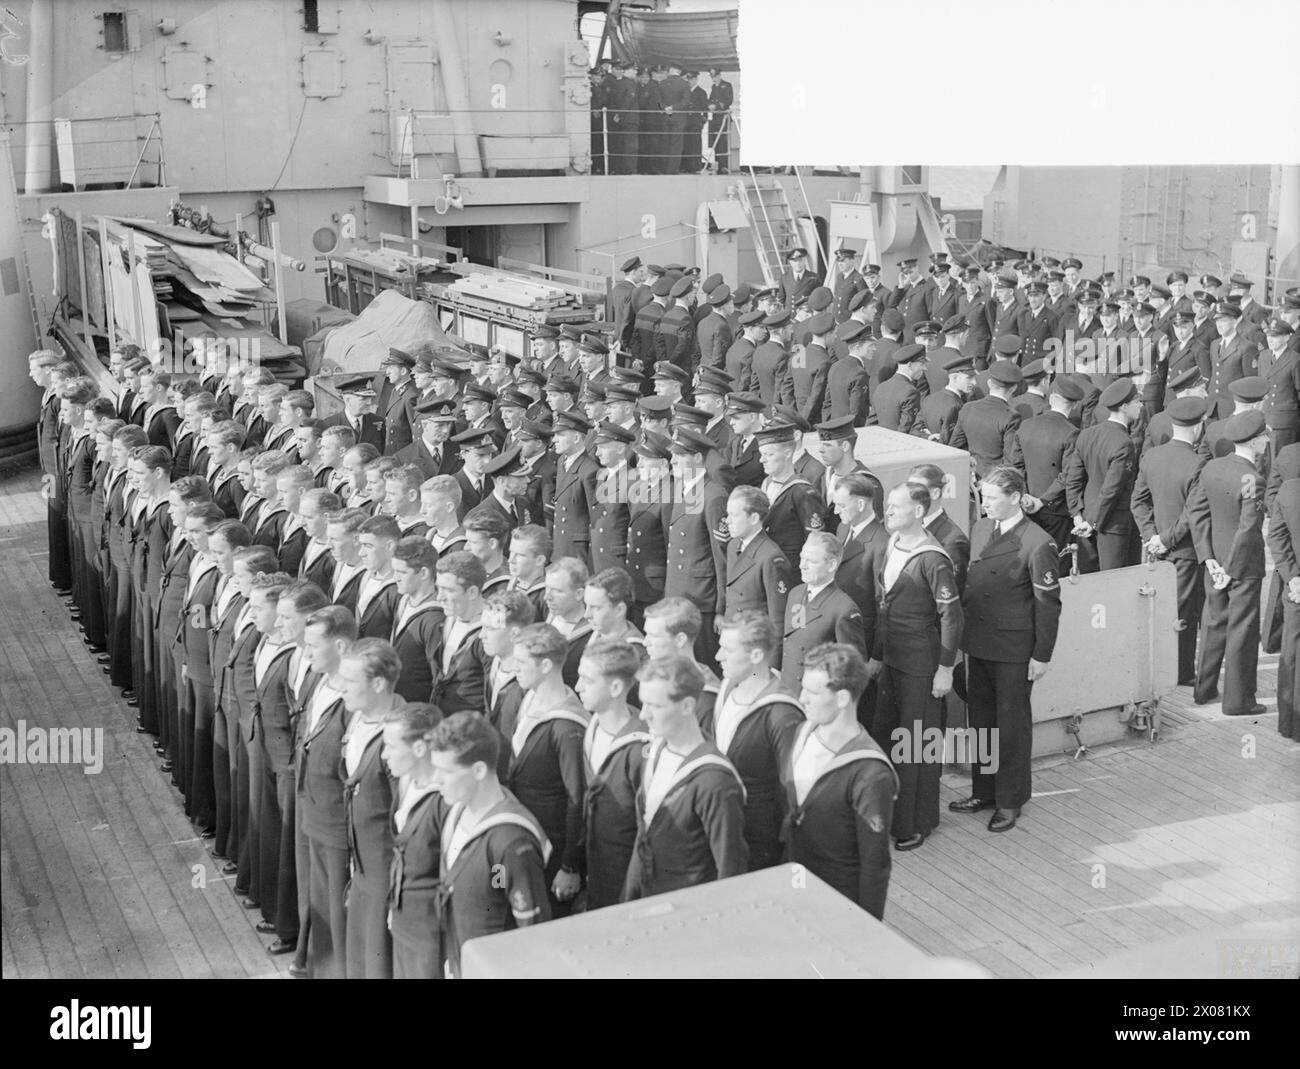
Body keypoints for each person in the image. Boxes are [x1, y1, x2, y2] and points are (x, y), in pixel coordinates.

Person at [951, 467, 1061, 834]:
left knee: (1011, 727)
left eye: (992, 498)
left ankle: (1010, 800)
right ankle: (984, 791)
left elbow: (1048, 604)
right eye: (983, 497)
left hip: (1013, 649)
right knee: (980, 720)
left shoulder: (1037, 542)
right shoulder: (982, 529)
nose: (985, 504)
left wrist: (1041, 655)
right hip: (978, 641)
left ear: (1015, 498)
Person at [867, 483, 963, 851]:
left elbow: (951, 617)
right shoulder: (893, 545)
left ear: (919, 512)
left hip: (921, 665)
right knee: (888, 737)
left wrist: (945, 669)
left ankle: (916, 822)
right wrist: (877, 654)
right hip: (892, 658)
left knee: (916, 744)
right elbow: (884, 606)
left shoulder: (933, 558)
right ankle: (889, 813)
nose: (887, 511)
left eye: (895, 506)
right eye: (888, 505)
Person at [432, 711, 552, 978]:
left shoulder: (510, 842)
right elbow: (495, 886)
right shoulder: (456, 813)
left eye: (446, 771)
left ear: (478, 770)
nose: (436, 780)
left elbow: (531, 927)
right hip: (458, 961)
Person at [782, 644, 897, 919]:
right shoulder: (802, 733)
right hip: (792, 888)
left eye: (813, 692)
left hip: (835, 903)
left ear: (843, 698)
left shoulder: (870, 772)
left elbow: (875, 864)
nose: (802, 698)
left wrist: (866, 931)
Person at [621, 656, 748, 899]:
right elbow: (643, 836)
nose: (643, 715)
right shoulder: (655, 754)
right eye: (643, 704)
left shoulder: (715, 781)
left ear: (688, 706)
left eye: (655, 706)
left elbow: (730, 868)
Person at [1187, 411, 1270, 716]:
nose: (1267, 440)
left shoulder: (1212, 468)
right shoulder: (1253, 479)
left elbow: (1196, 513)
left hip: (1214, 562)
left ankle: (1204, 689)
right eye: (1264, 436)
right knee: (1243, 633)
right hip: (1242, 567)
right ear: (1253, 440)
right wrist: (1231, 570)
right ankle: (1238, 701)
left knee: (1213, 624)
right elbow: (1248, 530)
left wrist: (1209, 559)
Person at [707, 612, 803, 872]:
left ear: (757, 656)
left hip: (761, 839)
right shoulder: (728, 687)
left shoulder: (782, 714)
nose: (718, 657)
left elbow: (793, 793)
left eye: (727, 650)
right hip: (725, 825)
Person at [505, 623, 589, 918]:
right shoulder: (524, 698)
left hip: (551, 850)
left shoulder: (567, 726)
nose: (514, 668)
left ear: (545, 665)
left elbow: (577, 799)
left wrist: (570, 866)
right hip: (517, 837)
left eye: (521, 663)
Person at [1131, 397, 1210, 685]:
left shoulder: (1151, 457)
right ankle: (1181, 671)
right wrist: (1166, 540)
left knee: (1157, 607)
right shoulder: (1198, 464)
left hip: (1153, 548)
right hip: (1184, 550)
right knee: (1184, 612)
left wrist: (1150, 536)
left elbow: (1138, 501)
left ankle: (1156, 666)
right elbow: (1192, 513)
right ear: (1199, 426)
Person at [576, 640, 651, 910]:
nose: (577, 687)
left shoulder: (641, 748)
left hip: (625, 881)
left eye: (587, 680)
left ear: (616, 687)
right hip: (596, 868)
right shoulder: (592, 728)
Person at [379, 702, 446, 979]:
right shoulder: (407, 783)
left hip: (434, 932)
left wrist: (488, 910)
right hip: (404, 920)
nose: (384, 755)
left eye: (391, 746)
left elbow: (494, 868)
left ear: (419, 748)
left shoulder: (448, 800)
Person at [663, 428, 729, 663]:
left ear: (698, 458)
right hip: (679, 595)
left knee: (699, 666)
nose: (673, 461)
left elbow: (721, 557)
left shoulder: (714, 495)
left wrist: (721, 609)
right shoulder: (686, 489)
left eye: (680, 455)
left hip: (700, 602)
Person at [1064, 378, 1142, 571]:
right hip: (1112, 524)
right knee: (1114, 582)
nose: (1140, 405)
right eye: (1136, 402)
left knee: (1090, 584)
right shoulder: (1124, 443)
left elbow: (1073, 479)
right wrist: (1091, 521)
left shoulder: (1087, 434)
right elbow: (1111, 489)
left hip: (1085, 517)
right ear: (1124, 407)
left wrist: (1077, 514)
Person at [780, 532, 866, 694]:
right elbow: (794, 642)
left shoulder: (844, 609)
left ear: (832, 565)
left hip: (817, 697)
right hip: (788, 691)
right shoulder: (796, 594)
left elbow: (852, 671)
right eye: (802, 558)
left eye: (811, 561)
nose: (802, 566)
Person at [1009, 376, 1084, 549]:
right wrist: (1042, 501)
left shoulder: (1026, 425)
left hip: (1026, 505)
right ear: (1074, 405)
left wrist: (1026, 496)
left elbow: (1016, 465)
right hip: (1055, 510)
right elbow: (1068, 475)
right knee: (1056, 558)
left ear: (1051, 399)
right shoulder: (1072, 433)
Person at [722, 485, 792, 624]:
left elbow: (777, 616)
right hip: (733, 631)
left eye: (734, 515)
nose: (727, 521)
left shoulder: (771, 558)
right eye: (728, 514)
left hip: (754, 637)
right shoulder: (733, 545)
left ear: (754, 518)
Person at [389, 536, 445, 703]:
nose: (395, 578)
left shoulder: (434, 619)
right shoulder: (404, 601)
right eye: (394, 571)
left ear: (424, 573)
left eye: (402, 572)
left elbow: (437, 679)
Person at [432, 551, 489, 714]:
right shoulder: (450, 618)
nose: (439, 598)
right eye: (438, 589)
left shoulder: (490, 631)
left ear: (472, 592)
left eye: (448, 590)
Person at [1267, 473, 1300, 741]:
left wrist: (1293, 578)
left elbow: (1276, 537)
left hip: (1295, 590)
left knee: (1290, 653)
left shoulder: (1289, 489)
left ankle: (1288, 723)